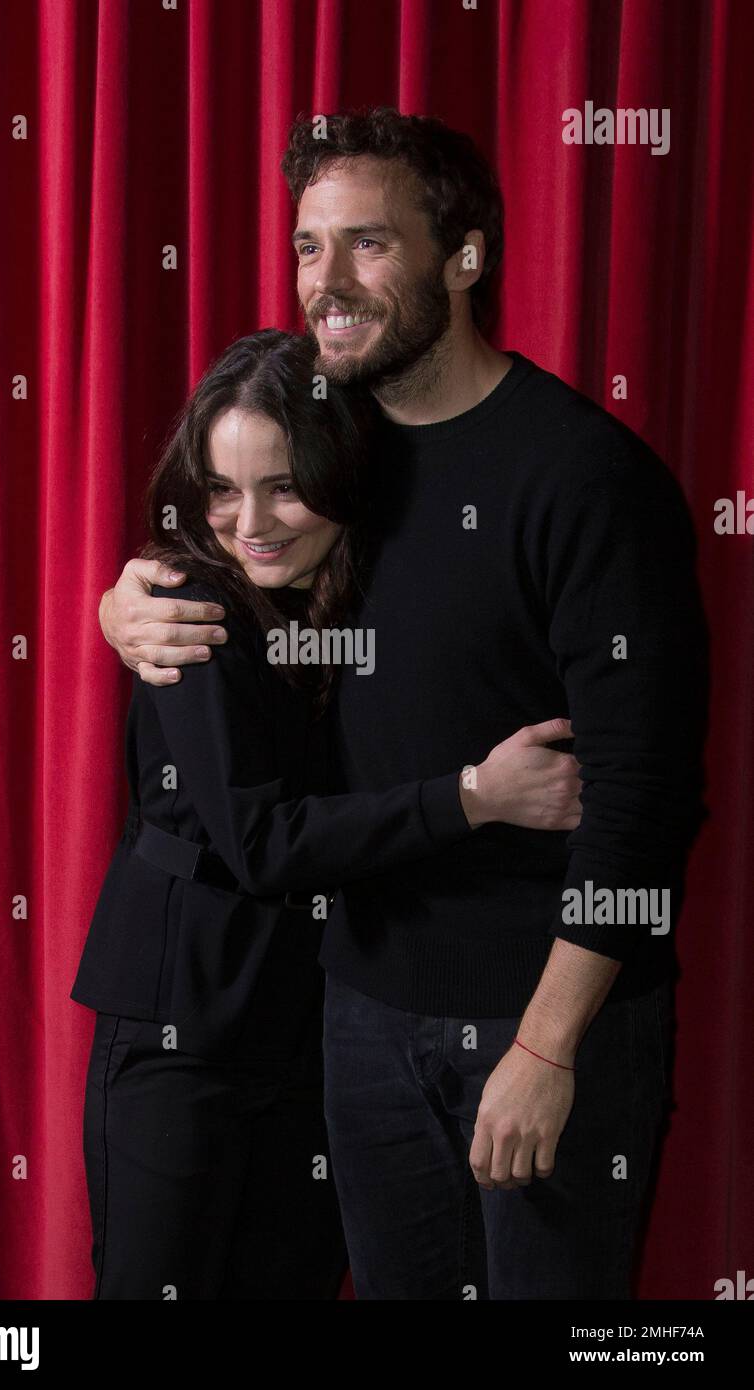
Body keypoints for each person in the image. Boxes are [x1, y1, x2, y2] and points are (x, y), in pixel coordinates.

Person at [98, 109, 710, 1300]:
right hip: (359, 1020)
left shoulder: (584, 477)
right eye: (307, 246)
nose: (325, 282)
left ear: (464, 256)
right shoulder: (329, 450)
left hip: (539, 1024)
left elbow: (643, 802)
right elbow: (223, 539)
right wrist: (125, 602)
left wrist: (544, 1046)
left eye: (367, 244)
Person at [72, 326, 583, 1300]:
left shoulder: (363, 597)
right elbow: (260, 841)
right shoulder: (186, 603)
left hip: (322, 1023)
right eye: (222, 488)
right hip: (184, 1023)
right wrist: (473, 797)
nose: (249, 521)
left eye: (281, 485)